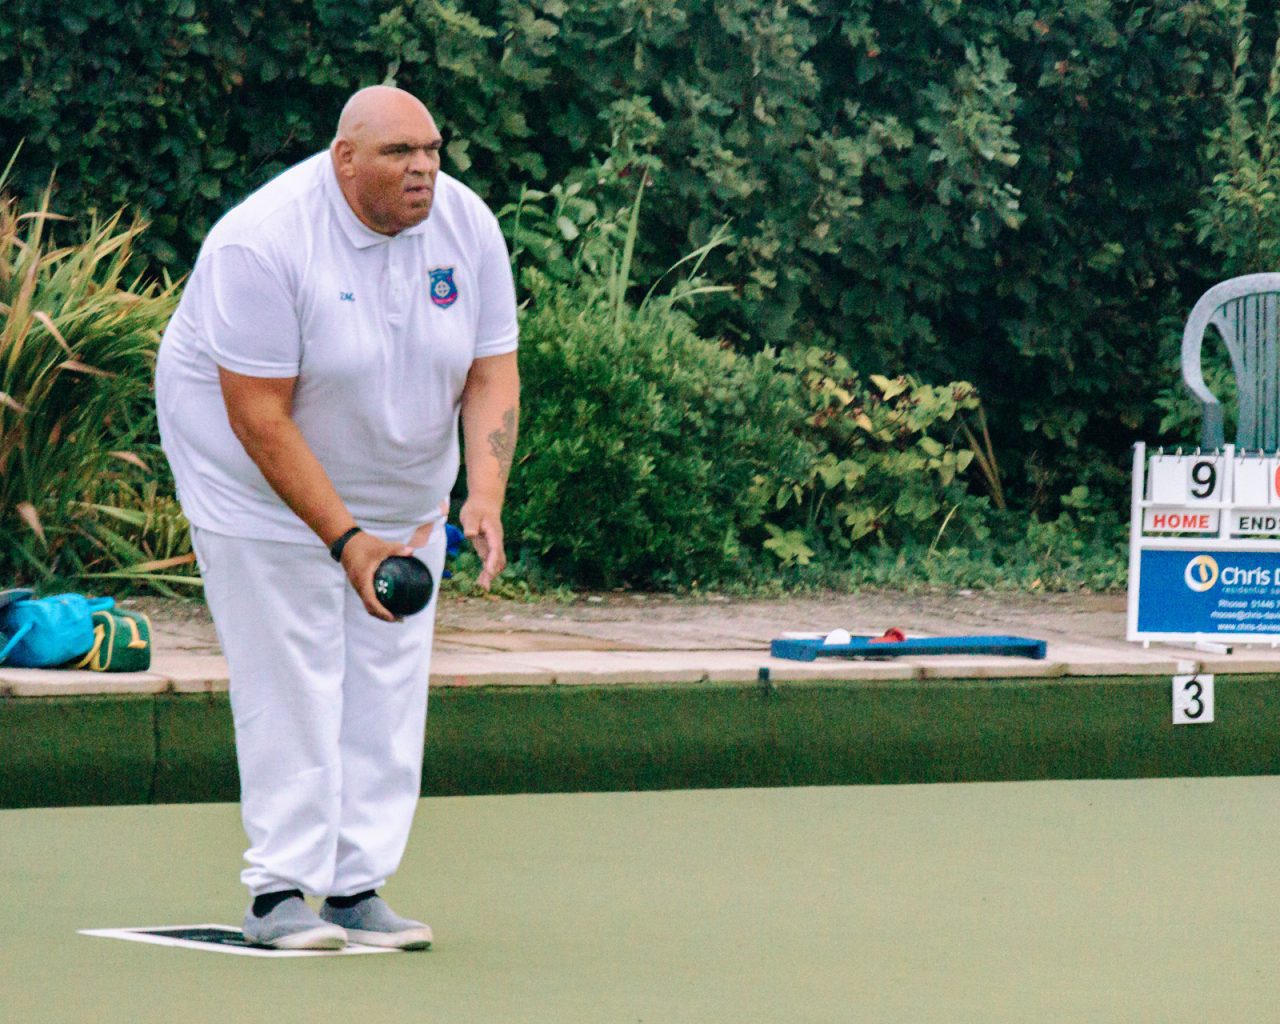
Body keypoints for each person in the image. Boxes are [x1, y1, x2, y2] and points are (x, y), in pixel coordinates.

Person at [155, 85, 520, 950]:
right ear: (344, 159)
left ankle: (357, 887)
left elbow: (491, 372)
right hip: (251, 477)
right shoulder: (263, 240)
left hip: (401, 479)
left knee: (389, 670)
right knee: (296, 666)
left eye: (432, 150)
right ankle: (279, 891)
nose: (423, 169)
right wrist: (346, 542)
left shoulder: (468, 228)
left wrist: (484, 494)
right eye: (400, 154)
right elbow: (257, 414)